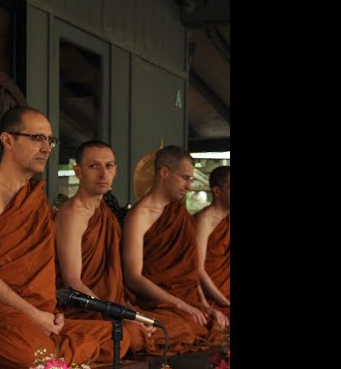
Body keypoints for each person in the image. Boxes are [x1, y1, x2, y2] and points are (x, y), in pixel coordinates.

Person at [0, 107, 116, 369]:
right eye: (37, 138)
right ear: (8, 140)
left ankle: (52, 349)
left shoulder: (35, 199)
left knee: (118, 335)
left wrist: (45, 314)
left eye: (50, 140)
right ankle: (46, 351)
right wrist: (35, 316)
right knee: (33, 353)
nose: (47, 148)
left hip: (32, 312)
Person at [54, 140, 198, 355]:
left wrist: (128, 311)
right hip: (86, 308)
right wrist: (117, 313)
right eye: (94, 166)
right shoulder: (72, 215)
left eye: (109, 166)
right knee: (132, 335)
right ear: (78, 171)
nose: (103, 173)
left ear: (115, 170)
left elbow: (114, 279)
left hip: (111, 303)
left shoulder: (106, 214)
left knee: (175, 327)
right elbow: (73, 283)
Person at [121, 145, 228, 348]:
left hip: (188, 303)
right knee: (175, 329)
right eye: (185, 177)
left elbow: (190, 271)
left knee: (218, 322)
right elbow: (133, 278)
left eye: (191, 179)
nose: (189, 185)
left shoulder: (181, 215)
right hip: (159, 304)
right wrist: (182, 305)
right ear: (164, 172)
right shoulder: (139, 216)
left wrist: (205, 306)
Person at [193, 164, 230, 316]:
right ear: (217, 191)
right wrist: (224, 302)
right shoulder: (203, 220)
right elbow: (198, 269)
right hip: (212, 294)